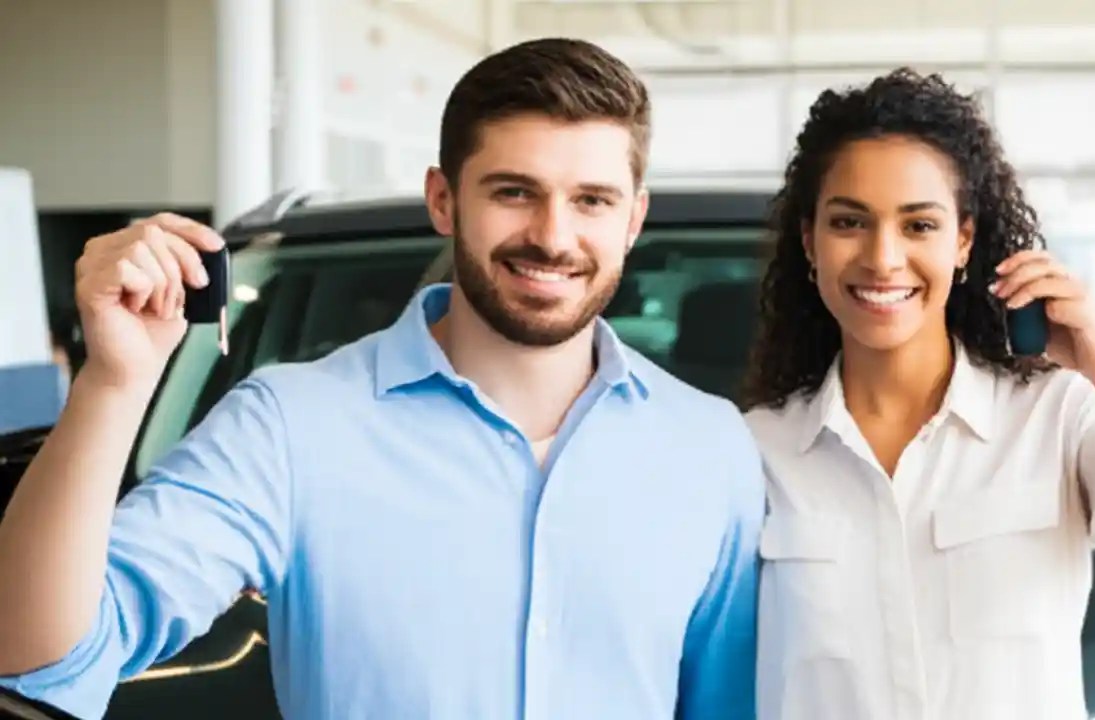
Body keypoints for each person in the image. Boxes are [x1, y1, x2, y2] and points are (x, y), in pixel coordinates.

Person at [0, 38, 763, 720]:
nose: (553, 237)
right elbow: (41, 662)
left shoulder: (711, 449)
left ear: (633, 218)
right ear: (443, 199)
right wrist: (114, 382)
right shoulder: (288, 428)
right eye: (513, 192)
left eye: (591, 200)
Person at [741, 68, 1095, 720]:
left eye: (918, 225)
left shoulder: (1054, 415)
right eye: (849, 222)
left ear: (963, 240)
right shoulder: (754, 449)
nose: (883, 258)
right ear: (810, 241)